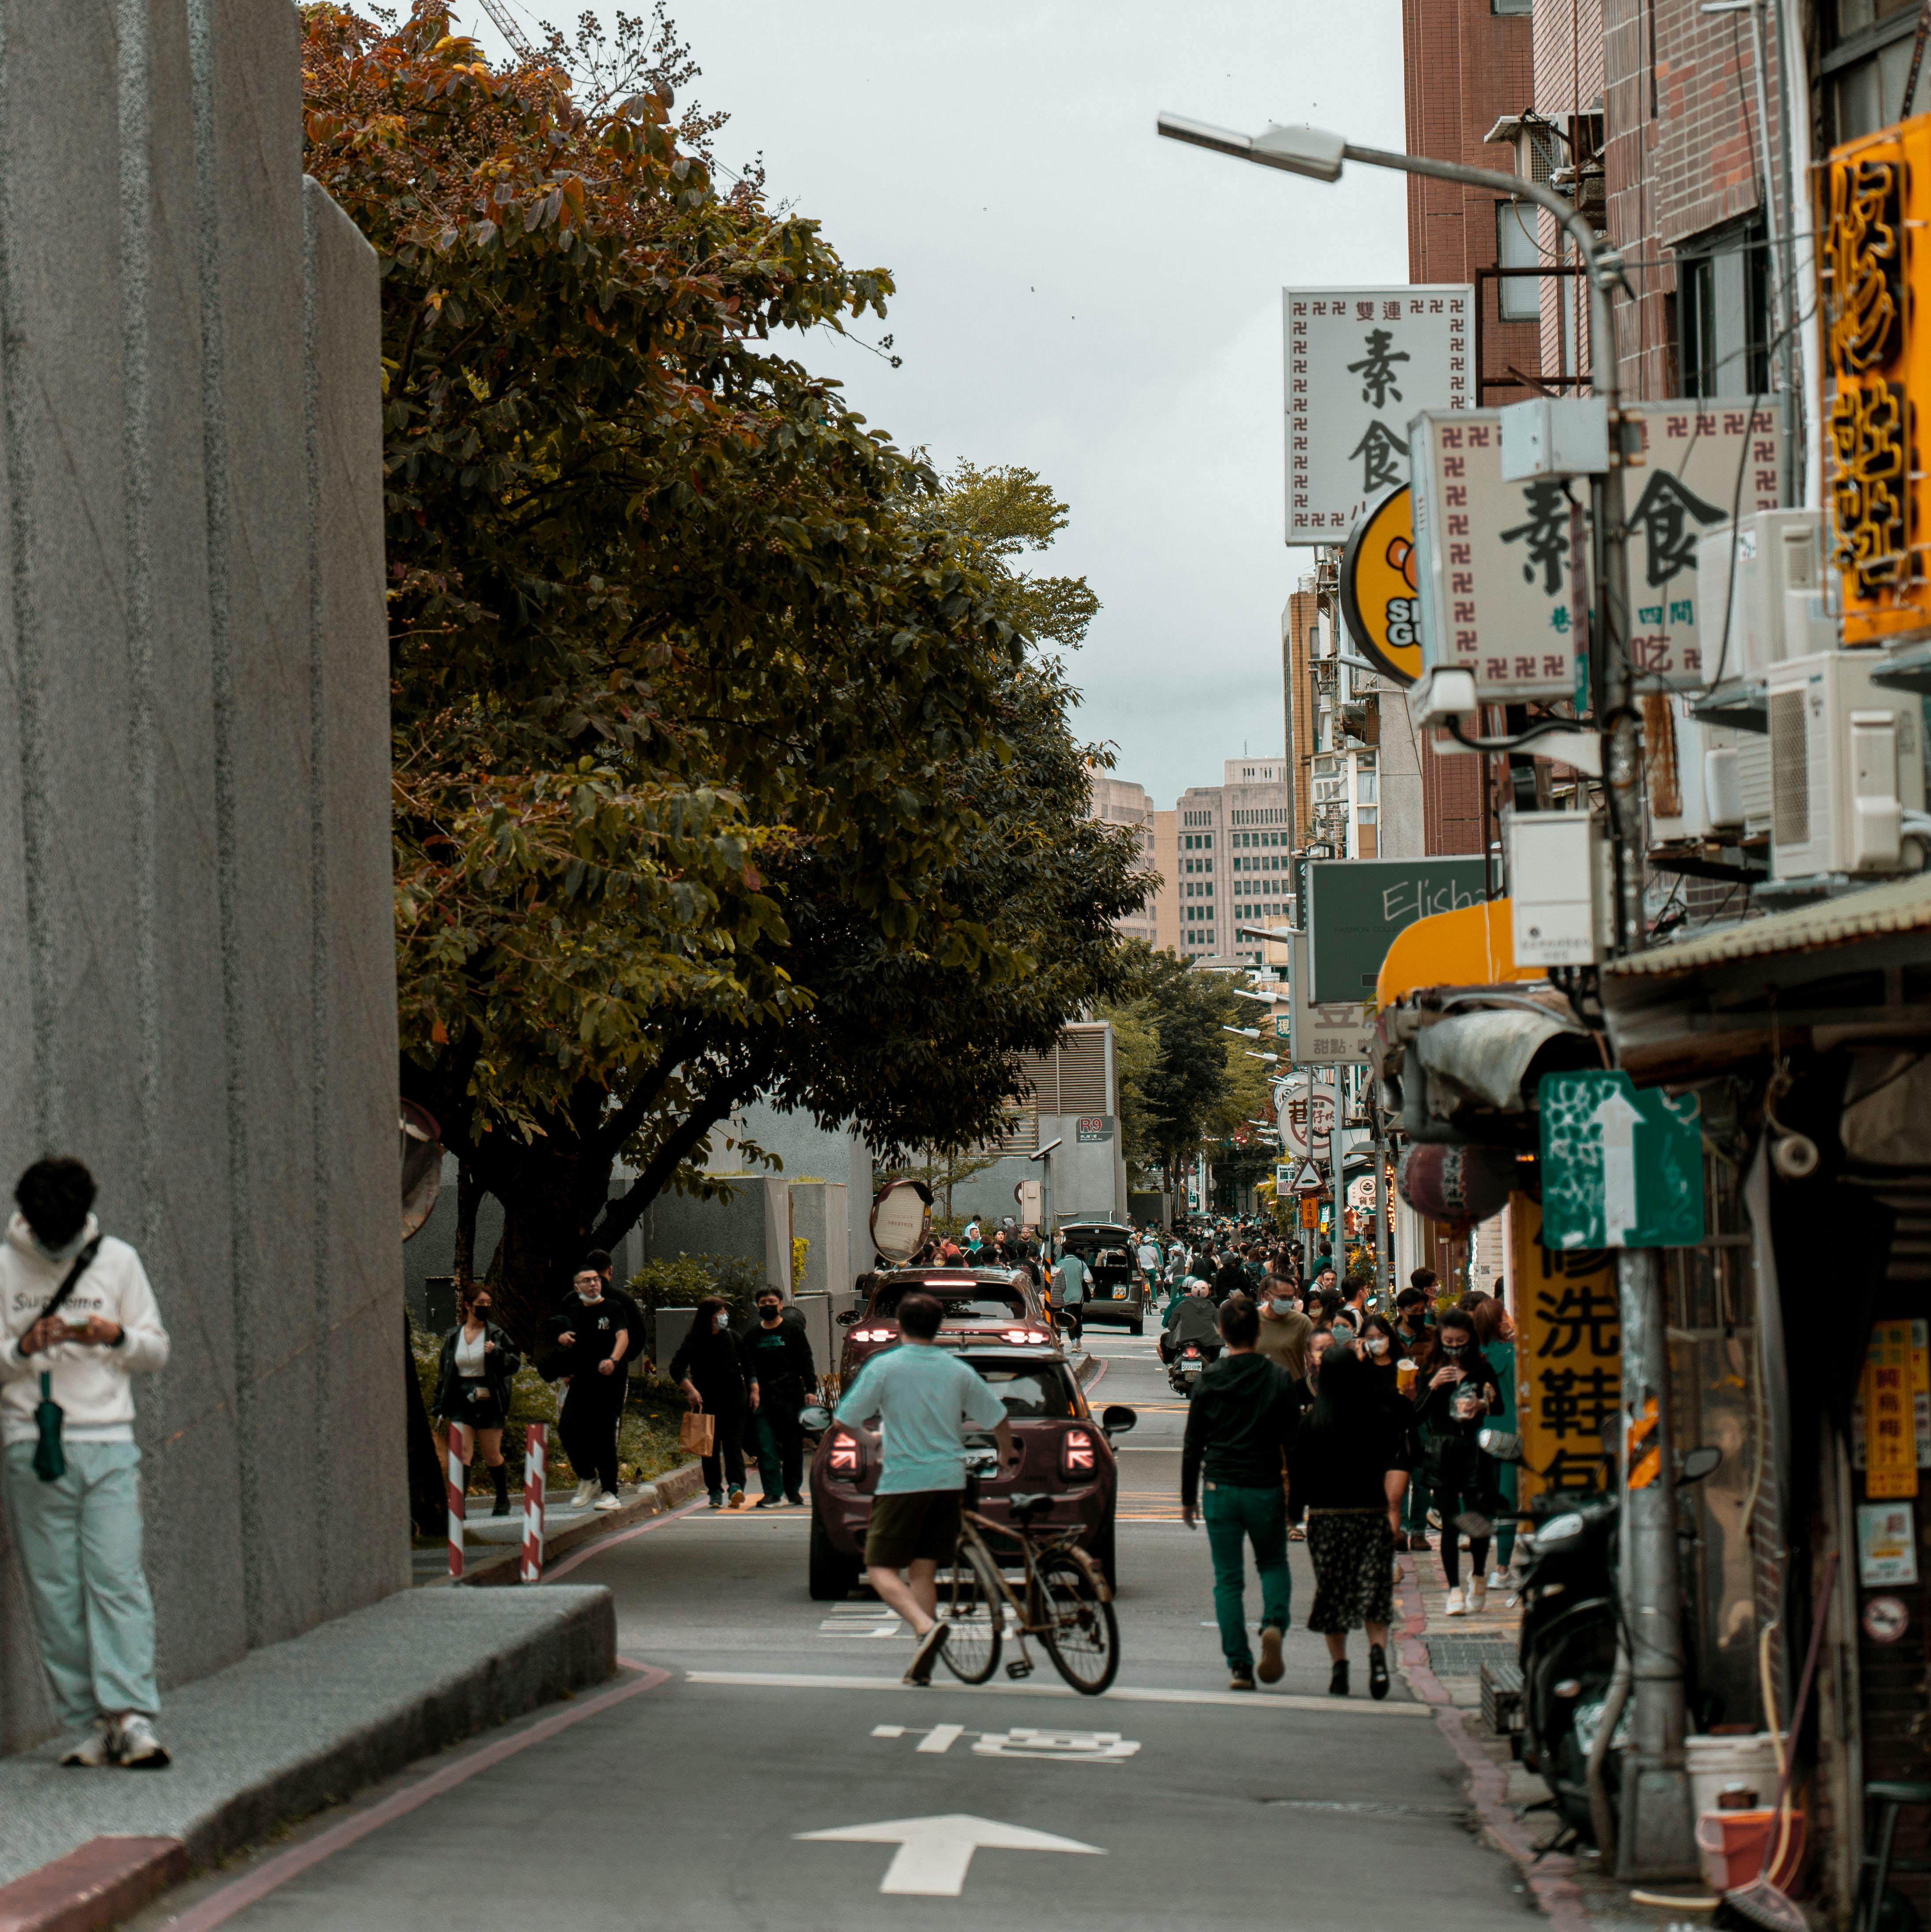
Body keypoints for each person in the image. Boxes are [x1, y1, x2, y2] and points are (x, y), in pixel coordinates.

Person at [0, 1156, 172, 1767]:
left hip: (109, 1441)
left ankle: (131, 1715)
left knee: (117, 1576)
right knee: (54, 1591)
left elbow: (156, 1348)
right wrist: (24, 1346)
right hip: (33, 1442)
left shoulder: (117, 1259)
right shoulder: (5, 1264)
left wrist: (112, 1336)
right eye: (48, 1239)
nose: (56, 1247)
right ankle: (91, 1723)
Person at [834, 1291, 1019, 1684]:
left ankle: (924, 1626)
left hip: (902, 1480)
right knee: (924, 1570)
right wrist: (1005, 1456)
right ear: (938, 1327)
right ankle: (923, 1664)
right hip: (949, 1481)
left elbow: (844, 1420)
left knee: (880, 1568)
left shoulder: (885, 1367)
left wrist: (872, 1442)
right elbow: (999, 1418)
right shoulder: (955, 1370)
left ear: (900, 1326)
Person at [1181, 1296, 1303, 1691]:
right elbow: (1293, 1444)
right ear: (1258, 1331)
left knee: (1228, 1580)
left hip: (1219, 1485)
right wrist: (1296, 1502)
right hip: (1265, 1485)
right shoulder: (1279, 1379)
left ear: (1221, 1332)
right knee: (1272, 1565)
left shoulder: (1208, 1379)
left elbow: (1193, 1443)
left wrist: (1187, 1497)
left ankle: (1239, 1665)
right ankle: (1273, 1625)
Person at [1288, 1341, 1412, 1699]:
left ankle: (1340, 1668)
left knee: (1333, 1593)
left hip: (1326, 1517)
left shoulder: (1313, 1421)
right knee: (1373, 1590)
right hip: (1370, 1513)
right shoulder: (1378, 1416)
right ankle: (1376, 1654)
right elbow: (1394, 1448)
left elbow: (1300, 1474)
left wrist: (1295, 1512)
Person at [1413, 1306, 1502, 1613]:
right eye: (1449, 1340)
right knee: (1450, 1522)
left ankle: (1477, 1574)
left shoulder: (1482, 1368)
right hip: (1443, 1449)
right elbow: (1417, 1415)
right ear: (1440, 1339)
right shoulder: (1432, 1368)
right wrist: (1434, 1386)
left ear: (1471, 1339)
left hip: (1474, 1450)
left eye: (1460, 1340)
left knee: (1477, 1517)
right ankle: (1453, 1591)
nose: (1454, 1346)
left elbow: (1498, 1405)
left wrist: (1482, 1404)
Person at [547, 1261, 640, 1511]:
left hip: (610, 1382)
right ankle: (588, 1477)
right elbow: (561, 1332)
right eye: (587, 1281)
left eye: (596, 1279)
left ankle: (611, 1492)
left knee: (603, 1435)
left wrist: (613, 1360)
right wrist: (561, 1338)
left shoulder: (614, 1308)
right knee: (567, 1428)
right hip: (581, 1381)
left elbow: (624, 1337)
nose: (593, 1283)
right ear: (577, 1287)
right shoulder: (574, 1311)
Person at [434, 1284, 521, 1517]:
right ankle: (459, 1504)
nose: (485, 1308)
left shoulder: (496, 1335)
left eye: (488, 1305)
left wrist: (497, 1352)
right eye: (480, 1305)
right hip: (461, 1398)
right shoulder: (454, 1336)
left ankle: (503, 1499)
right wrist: (440, 1405)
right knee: (462, 1453)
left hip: (489, 1397)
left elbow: (514, 1364)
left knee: (492, 1454)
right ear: (467, 1306)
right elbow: (444, 1373)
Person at [741, 1285, 817, 1508]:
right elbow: (748, 1367)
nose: (768, 1306)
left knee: (793, 1447)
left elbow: (806, 1360)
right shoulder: (752, 1336)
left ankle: (793, 1491)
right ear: (758, 1307)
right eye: (763, 1303)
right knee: (766, 1448)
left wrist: (811, 1390)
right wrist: (753, 1389)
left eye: (772, 1302)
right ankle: (772, 1493)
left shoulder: (794, 1331)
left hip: (791, 1397)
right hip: (763, 1399)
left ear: (781, 1305)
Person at [670, 1294, 748, 1509]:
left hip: (734, 1400)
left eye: (724, 1312)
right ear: (709, 1316)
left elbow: (749, 1365)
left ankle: (736, 1486)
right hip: (706, 1402)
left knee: (733, 1446)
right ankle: (715, 1491)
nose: (724, 1316)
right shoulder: (694, 1340)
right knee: (709, 1449)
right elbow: (676, 1368)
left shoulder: (732, 1337)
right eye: (719, 1312)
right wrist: (691, 1390)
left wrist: (754, 1391)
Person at [1467, 1293, 1519, 1589]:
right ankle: (1501, 1569)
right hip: (1509, 1435)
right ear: (1499, 1323)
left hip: (1480, 1435)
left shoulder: (1471, 1358)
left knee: (1481, 1504)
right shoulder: (1514, 1355)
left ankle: (1476, 1569)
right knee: (1507, 1503)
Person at [1255, 1279, 1313, 1381]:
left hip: (1292, 1389)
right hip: (1260, 1390)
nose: (1287, 1302)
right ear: (1267, 1296)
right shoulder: (1252, 1320)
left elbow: (1312, 1358)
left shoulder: (1302, 1322)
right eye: (1283, 1297)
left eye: (1290, 1298)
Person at [1161, 1281, 1222, 1364]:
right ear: (1208, 1292)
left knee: (1164, 1338)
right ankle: (1212, 1364)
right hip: (1206, 1340)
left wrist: (1172, 1329)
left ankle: (1169, 1364)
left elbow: (1172, 1323)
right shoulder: (1211, 1306)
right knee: (1218, 1343)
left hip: (1183, 1338)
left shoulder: (1184, 1304)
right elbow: (1218, 1324)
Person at [1051, 1244, 1088, 1346]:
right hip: (1079, 1297)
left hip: (1066, 1297)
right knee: (1078, 1318)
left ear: (1064, 1251)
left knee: (1069, 1319)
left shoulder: (1060, 1263)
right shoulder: (1081, 1263)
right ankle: (1079, 1340)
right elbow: (1089, 1279)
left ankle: (1074, 1343)